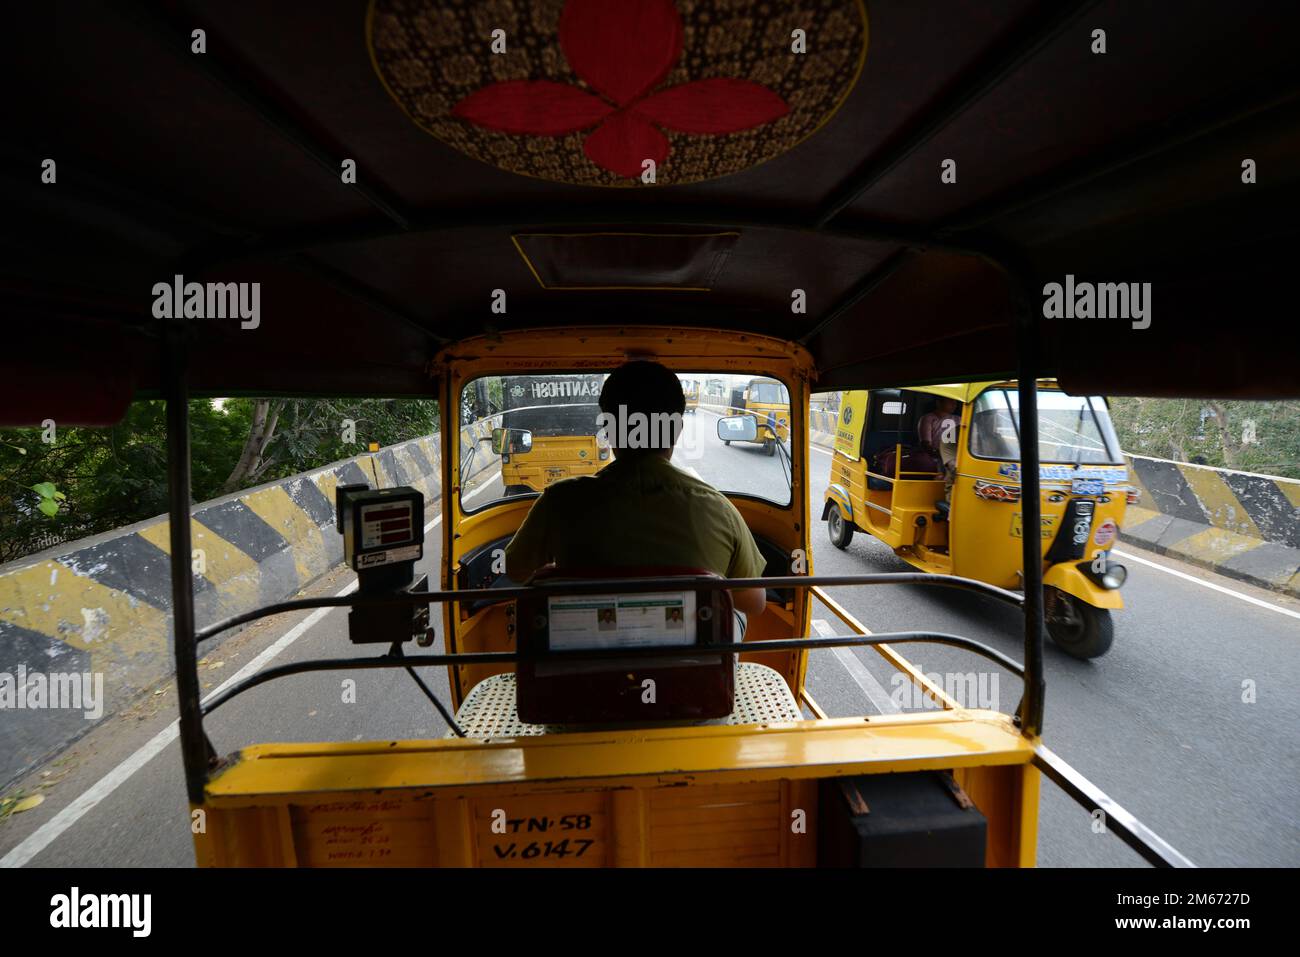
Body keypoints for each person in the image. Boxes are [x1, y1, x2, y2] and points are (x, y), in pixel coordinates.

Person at [505, 360, 768, 632]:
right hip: (691, 673)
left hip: (585, 668)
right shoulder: (718, 509)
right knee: (731, 608)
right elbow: (754, 601)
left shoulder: (558, 500)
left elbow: (516, 569)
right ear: (677, 429)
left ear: (607, 428)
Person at [918, 397, 962, 502]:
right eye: (950, 401)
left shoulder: (959, 419)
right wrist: (942, 455)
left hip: (955, 458)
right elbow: (926, 444)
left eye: (955, 402)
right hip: (935, 457)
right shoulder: (928, 418)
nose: (954, 404)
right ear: (938, 403)